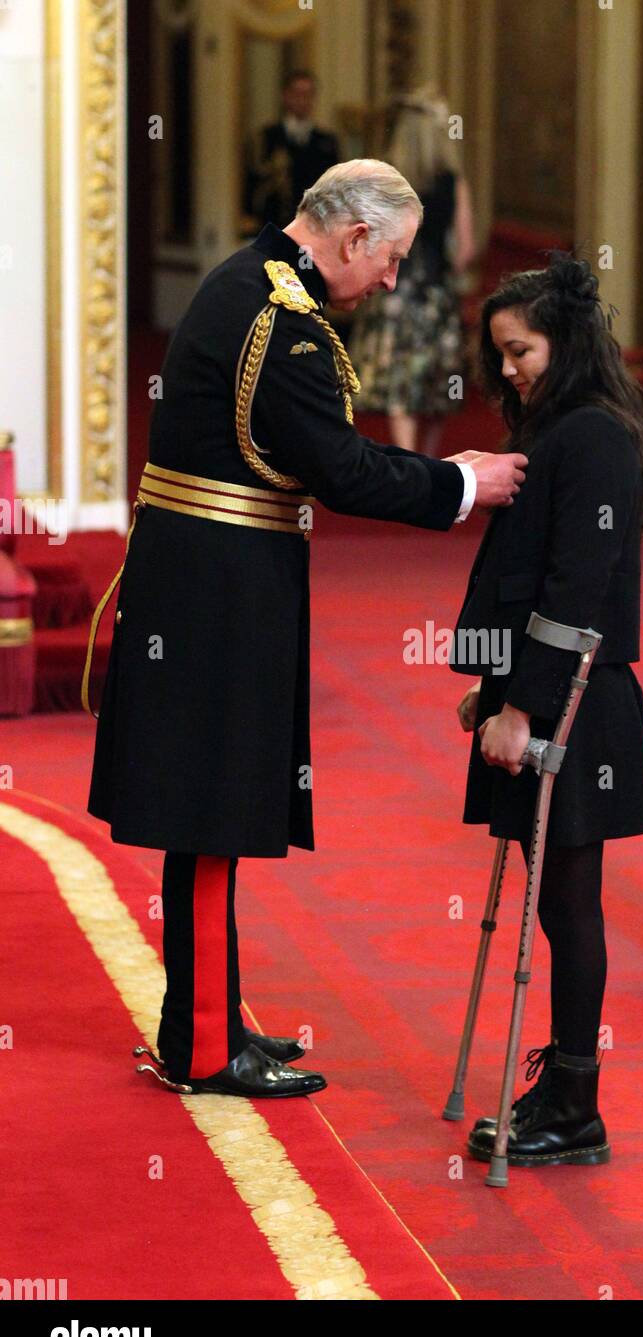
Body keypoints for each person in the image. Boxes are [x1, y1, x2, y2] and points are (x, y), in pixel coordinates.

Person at [85, 160, 527, 1100]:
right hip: (215, 593)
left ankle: (204, 1020)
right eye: (393, 259)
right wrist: (462, 483)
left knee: (216, 808)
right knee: (210, 816)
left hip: (212, 580)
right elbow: (340, 469)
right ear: (355, 236)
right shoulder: (278, 319)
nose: (394, 280)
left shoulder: (258, 282)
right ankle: (205, 1050)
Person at [450, 253, 643, 1168]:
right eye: (499, 354)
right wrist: (493, 685)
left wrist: (522, 709)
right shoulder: (558, 428)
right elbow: (523, 577)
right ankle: (569, 1094)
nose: (507, 370)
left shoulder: (592, 437)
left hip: (575, 703)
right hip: (541, 690)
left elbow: (574, 591)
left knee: (568, 904)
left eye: (520, 350)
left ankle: (576, 1104)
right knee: (555, 900)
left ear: (565, 342)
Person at [348, 89, 475, 457]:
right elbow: (465, 250)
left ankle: (409, 458)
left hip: (395, 293)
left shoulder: (388, 184)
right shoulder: (453, 181)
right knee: (437, 385)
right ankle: (430, 457)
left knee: (398, 384)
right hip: (435, 293)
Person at [244, 70, 340, 230]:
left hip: (314, 223)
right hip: (274, 222)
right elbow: (254, 179)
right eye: (297, 93)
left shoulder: (327, 140)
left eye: (308, 94)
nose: (302, 100)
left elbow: (334, 185)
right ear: (285, 96)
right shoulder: (267, 137)